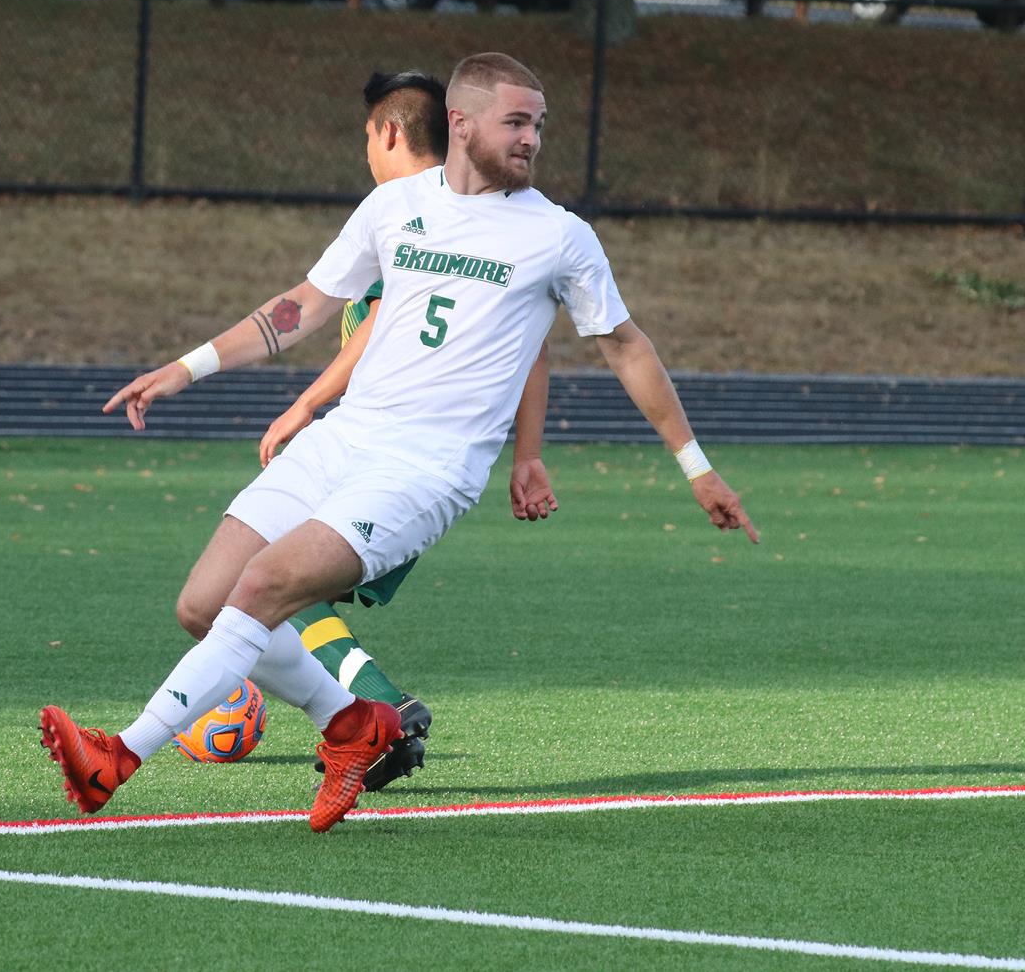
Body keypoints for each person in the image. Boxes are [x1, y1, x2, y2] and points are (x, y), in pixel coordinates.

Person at [41, 52, 758, 833]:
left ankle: (118, 757)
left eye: (538, 125)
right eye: (517, 122)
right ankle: (354, 727)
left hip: (427, 468)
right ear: (461, 122)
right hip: (345, 438)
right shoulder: (394, 206)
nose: (532, 140)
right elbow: (307, 304)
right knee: (202, 603)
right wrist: (188, 367)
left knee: (260, 588)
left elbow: (624, 344)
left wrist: (696, 467)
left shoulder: (559, 236)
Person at [260, 69, 560, 794]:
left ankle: (379, 713)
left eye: (367, 134)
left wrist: (305, 406)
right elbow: (536, 342)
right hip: (408, 459)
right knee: (283, 587)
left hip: (404, 461)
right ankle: (373, 712)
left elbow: (379, 326)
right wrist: (529, 454)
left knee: (265, 582)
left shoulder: (427, 213)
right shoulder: (471, 211)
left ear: (389, 132)